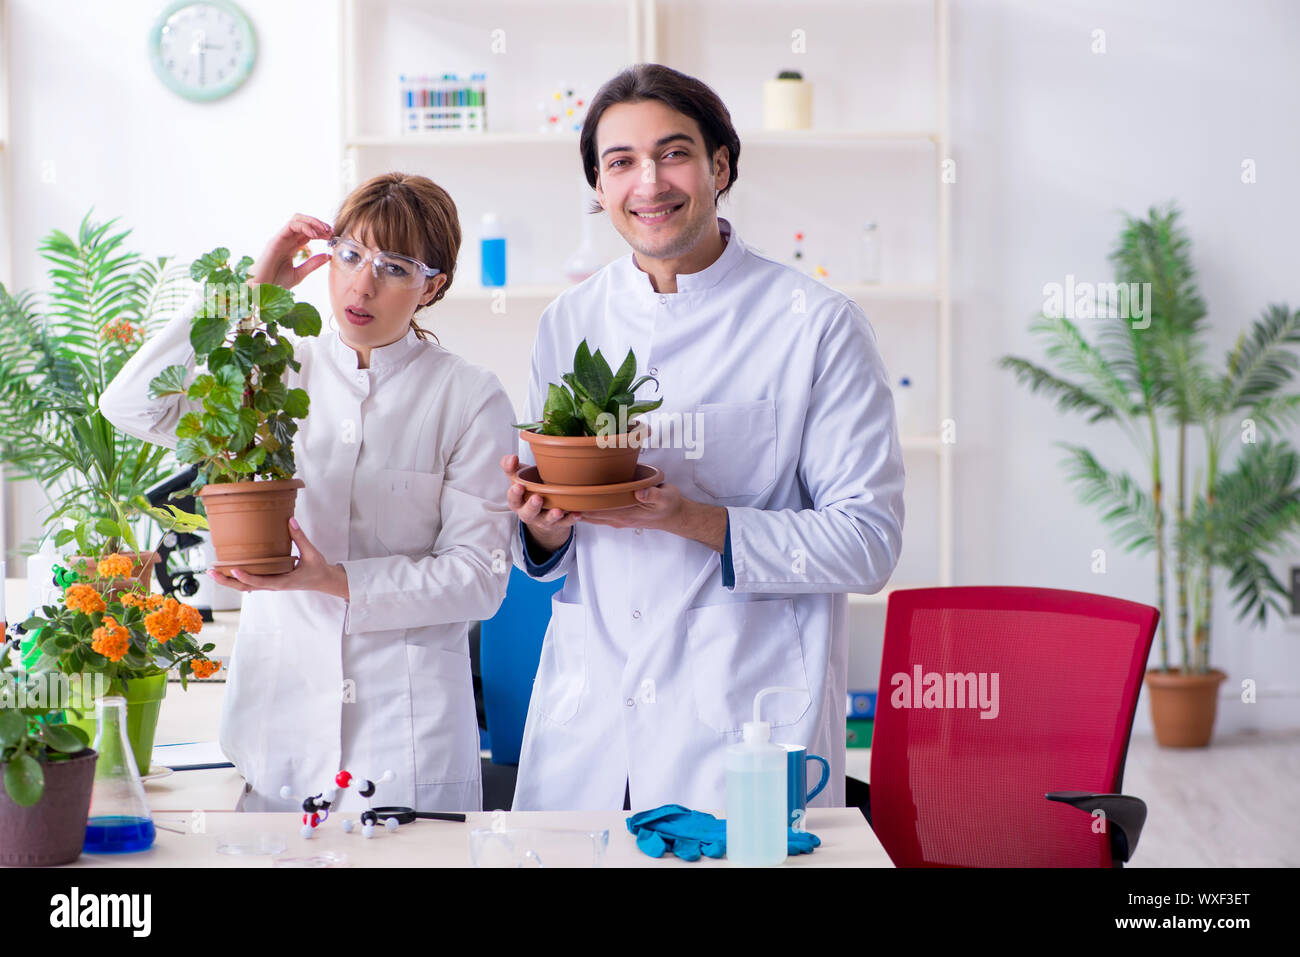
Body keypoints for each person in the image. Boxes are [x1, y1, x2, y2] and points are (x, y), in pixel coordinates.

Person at [502, 64, 906, 812]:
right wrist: (541, 532)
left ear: (720, 165)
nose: (648, 181)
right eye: (620, 162)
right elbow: (555, 551)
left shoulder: (815, 324)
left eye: (674, 152)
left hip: (738, 714)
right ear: (598, 188)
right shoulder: (568, 321)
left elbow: (869, 543)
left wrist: (692, 519)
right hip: (592, 718)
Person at [100, 173, 515, 812]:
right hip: (277, 735)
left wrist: (336, 580)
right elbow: (129, 404)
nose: (362, 283)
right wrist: (242, 298)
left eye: (394, 267)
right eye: (349, 254)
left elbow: (479, 579)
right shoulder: (273, 371)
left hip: (406, 742)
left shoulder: (468, 396)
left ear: (432, 285)